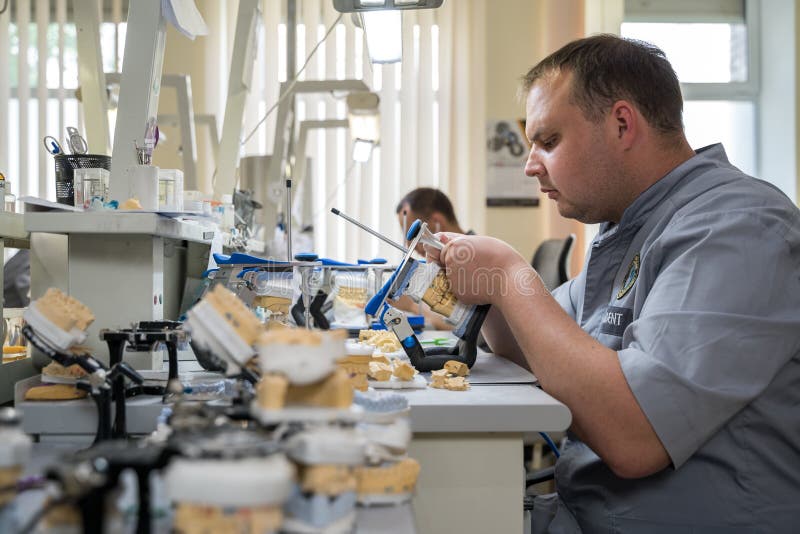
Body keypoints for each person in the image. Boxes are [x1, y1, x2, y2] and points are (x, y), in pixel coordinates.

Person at [426, 34, 800, 532]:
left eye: (548, 141)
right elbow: (534, 345)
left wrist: (512, 275)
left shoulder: (736, 227)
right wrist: (471, 288)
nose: (531, 164)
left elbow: (635, 436)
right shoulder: (631, 228)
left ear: (622, 124)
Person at [393, 188, 473, 330]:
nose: (409, 245)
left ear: (437, 223)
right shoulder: (445, 261)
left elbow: (468, 326)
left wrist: (411, 305)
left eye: (412, 235)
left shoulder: (473, 257)